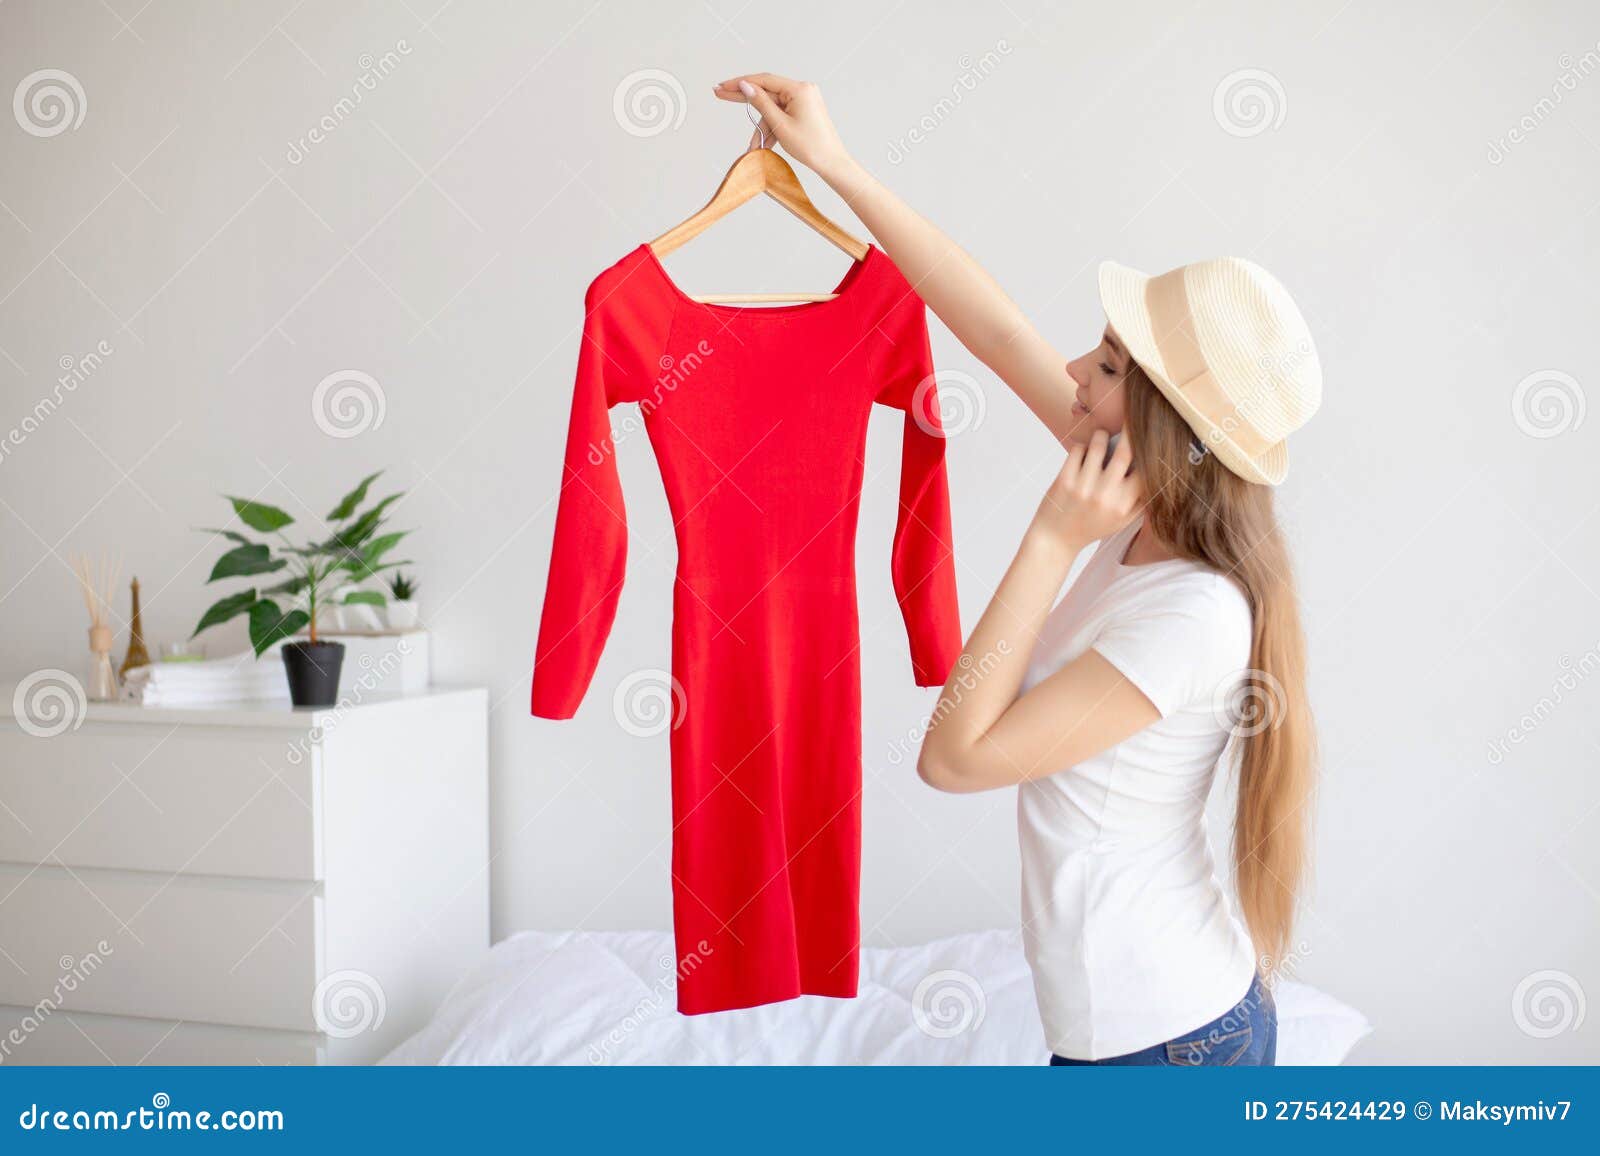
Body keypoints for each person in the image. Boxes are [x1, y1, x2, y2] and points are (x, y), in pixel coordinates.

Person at [715, 73, 1322, 1066]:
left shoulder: (1193, 614)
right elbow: (995, 333)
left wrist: (1049, 539)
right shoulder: (1144, 499)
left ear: (1170, 427)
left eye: (1112, 366)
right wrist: (834, 166)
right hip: (1144, 1030)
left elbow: (953, 759)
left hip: (1165, 1045)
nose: (1078, 371)